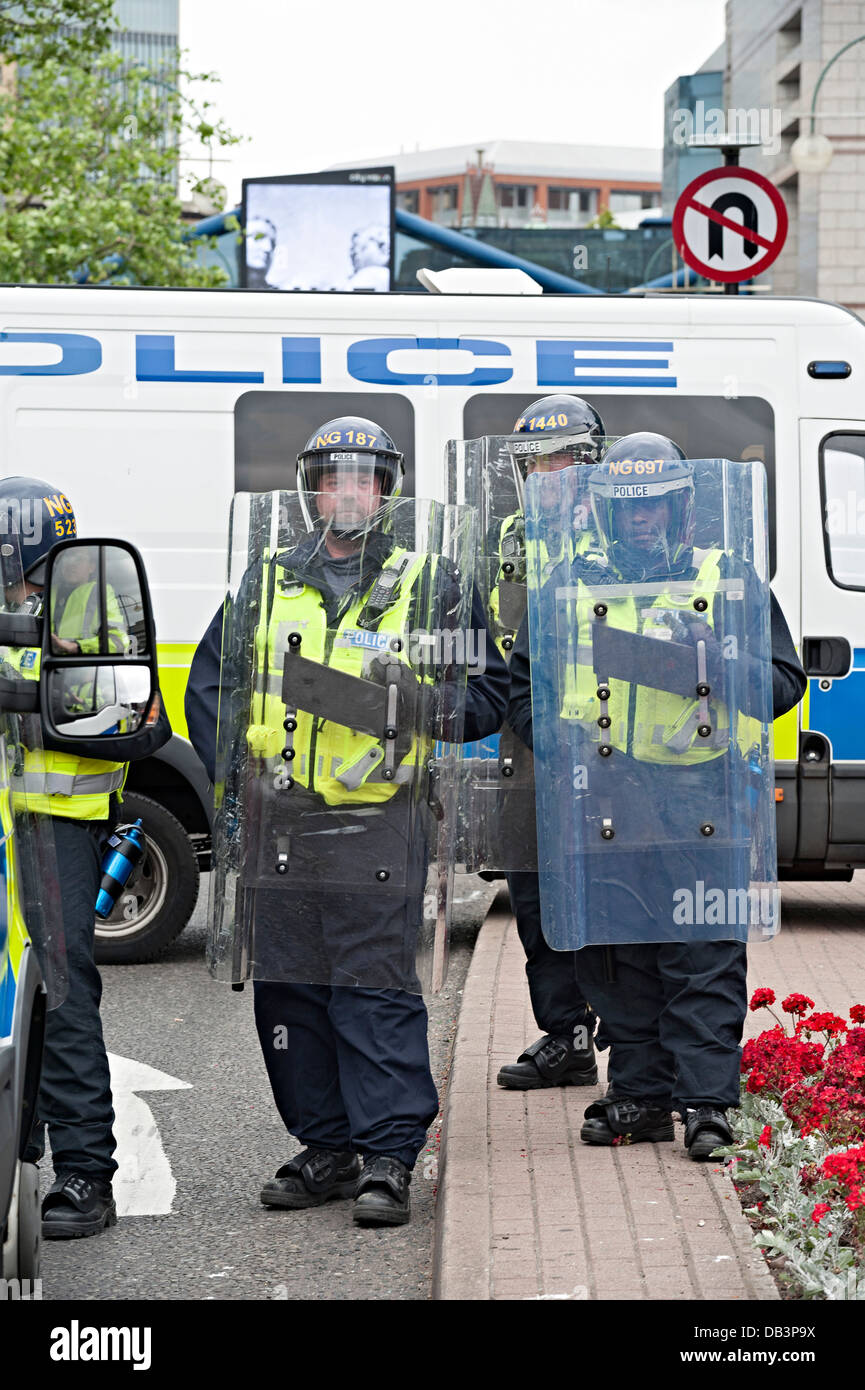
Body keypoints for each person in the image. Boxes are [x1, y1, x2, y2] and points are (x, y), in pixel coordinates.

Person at [185, 416, 508, 1225]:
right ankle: (325, 1146)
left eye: (364, 478)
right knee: (291, 991)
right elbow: (213, 686)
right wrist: (236, 777)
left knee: (372, 990)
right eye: (334, 478)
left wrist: (416, 702)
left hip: (379, 822)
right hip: (281, 820)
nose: (349, 492)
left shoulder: (430, 582)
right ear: (314, 490)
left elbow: (486, 698)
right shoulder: (264, 577)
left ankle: (389, 1155)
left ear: (385, 491)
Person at [508, 432, 807, 1158]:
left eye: (653, 506)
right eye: (625, 508)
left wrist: (714, 660)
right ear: (603, 514)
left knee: (701, 956)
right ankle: (639, 1098)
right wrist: (559, 744)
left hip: (700, 801)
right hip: (603, 798)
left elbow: (782, 683)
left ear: (681, 508)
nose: (639, 519)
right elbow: (524, 690)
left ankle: (705, 1105)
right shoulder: (566, 586)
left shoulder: (727, 574)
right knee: (616, 960)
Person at [0, 478, 129, 1237]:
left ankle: (84, 1173)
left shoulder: (93, 600)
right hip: (9, 822)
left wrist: (19, 691)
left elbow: (120, 713)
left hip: (56, 821)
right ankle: (15, 1149)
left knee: (60, 990)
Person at [490, 395, 605, 1092]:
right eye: (532, 464)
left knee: (608, 895)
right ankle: (563, 1033)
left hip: (605, 739)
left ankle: (630, 1038)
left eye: (556, 460)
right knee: (532, 896)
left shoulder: (619, 525)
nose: (543, 475)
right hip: (526, 736)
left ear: (587, 464)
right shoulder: (508, 534)